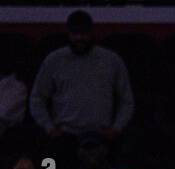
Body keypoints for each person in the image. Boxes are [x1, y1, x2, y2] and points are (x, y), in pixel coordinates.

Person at [28, 10, 134, 145]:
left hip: (101, 137)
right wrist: (49, 128)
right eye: (75, 34)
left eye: (84, 34)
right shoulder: (54, 60)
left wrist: (116, 128)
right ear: (69, 34)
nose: (79, 38)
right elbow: (37, 98)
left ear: (91, 33)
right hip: (64, 137)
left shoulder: (111, 61)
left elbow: (126, 100)